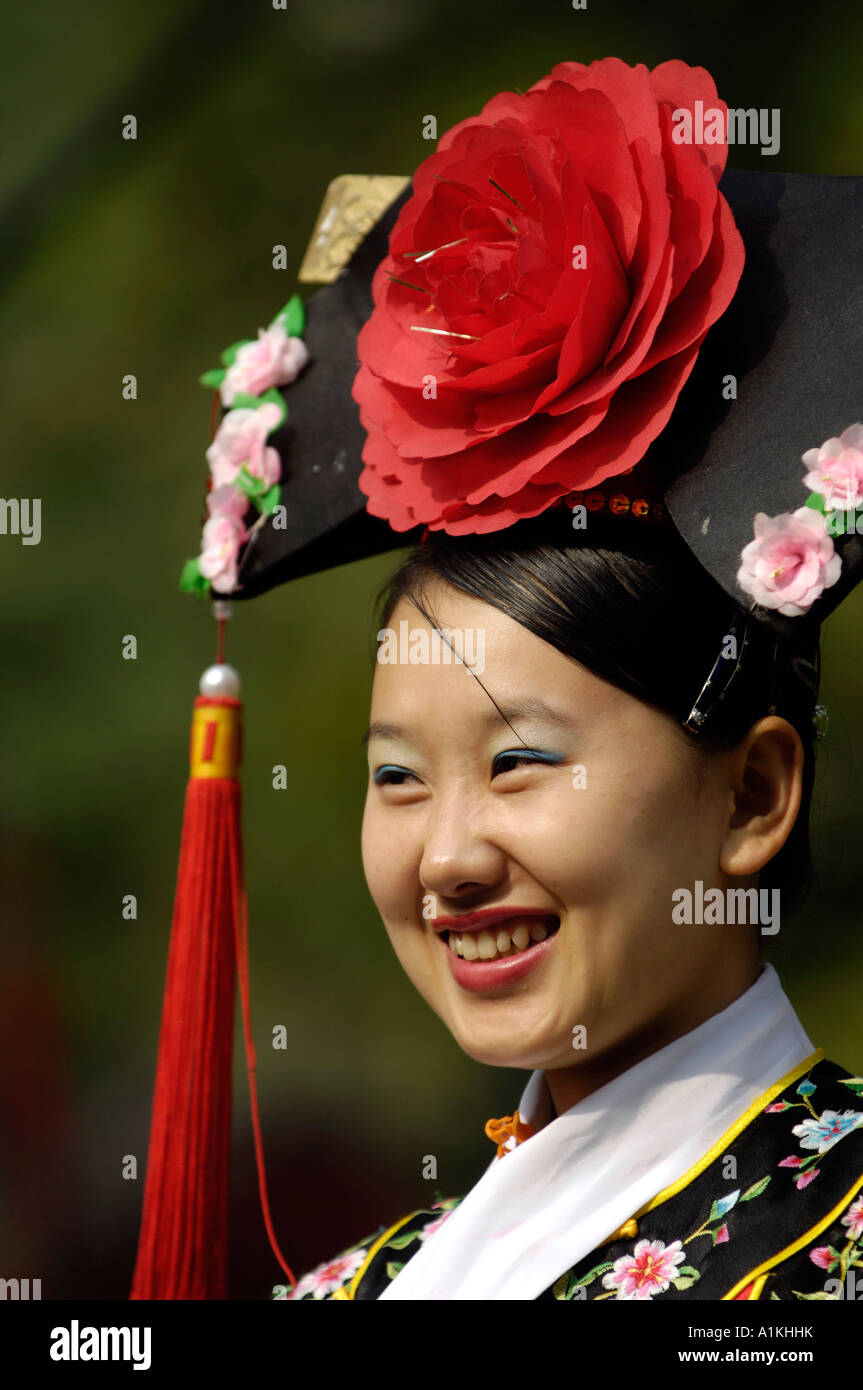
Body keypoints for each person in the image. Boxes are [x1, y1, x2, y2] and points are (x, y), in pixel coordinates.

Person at [136, 56, 863, 1302]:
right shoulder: (346, 1289)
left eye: (518, 760)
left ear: (750, 796)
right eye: (397, 777)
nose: (449, 859)